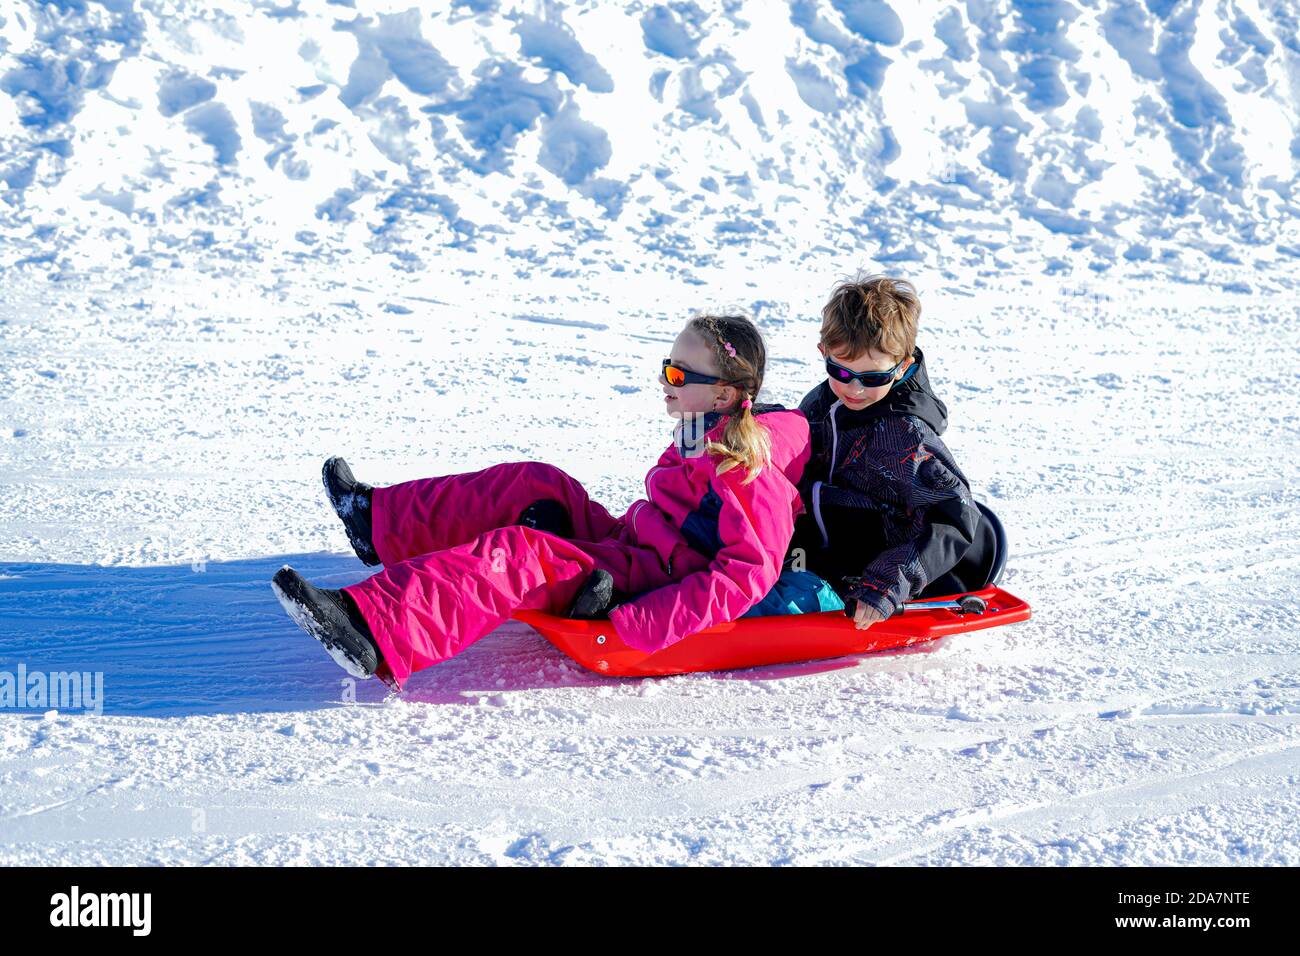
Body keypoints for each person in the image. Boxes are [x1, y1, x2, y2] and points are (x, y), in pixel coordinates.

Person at [272, 314, 811, 690]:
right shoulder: (704, 426)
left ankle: (370, 629)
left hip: (654, 579)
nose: (665, 383)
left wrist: (635, 622)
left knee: (522, 554)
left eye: (678, 375)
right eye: (665, 367)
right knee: (537, 483)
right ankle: (377, 522)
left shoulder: (748, 465)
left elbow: (746, 576)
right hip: (636, 543)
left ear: (723, 394)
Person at [790, 274, 995, 630]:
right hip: (824, 550)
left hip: (882, 571)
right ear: (823, 353)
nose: (854, 389)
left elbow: (951, 516)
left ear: (901, 366)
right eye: (840, 370)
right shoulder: (821, 402)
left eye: (872, 378)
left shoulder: (905, 436)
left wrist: (884, 586)